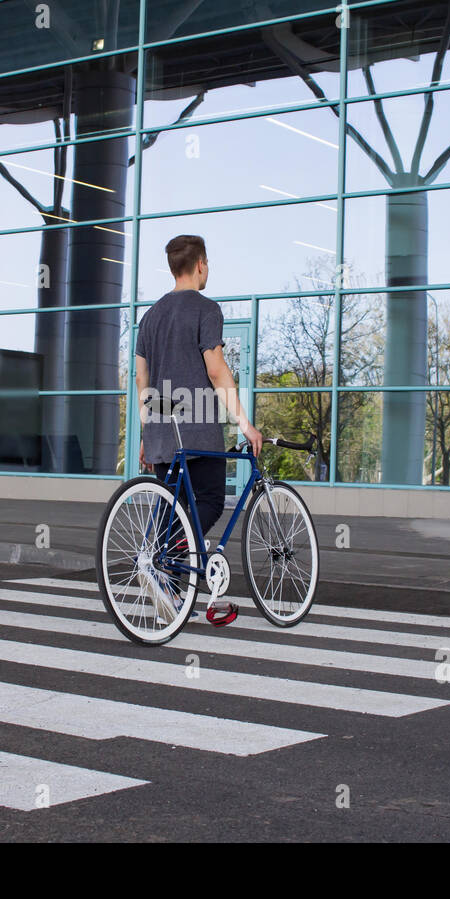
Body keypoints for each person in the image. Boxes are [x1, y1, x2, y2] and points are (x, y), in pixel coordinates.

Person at [134, 235, 262, 621]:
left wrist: (146, 431)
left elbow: (142, 381)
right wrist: (246, 423)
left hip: (160, 430)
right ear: (200, 265)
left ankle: (167, 593)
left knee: (169, 509)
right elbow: (216, 369)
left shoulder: (150, 316)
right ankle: (171, 557)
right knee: (209, 501)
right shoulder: (207, 309)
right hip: (196, 430)